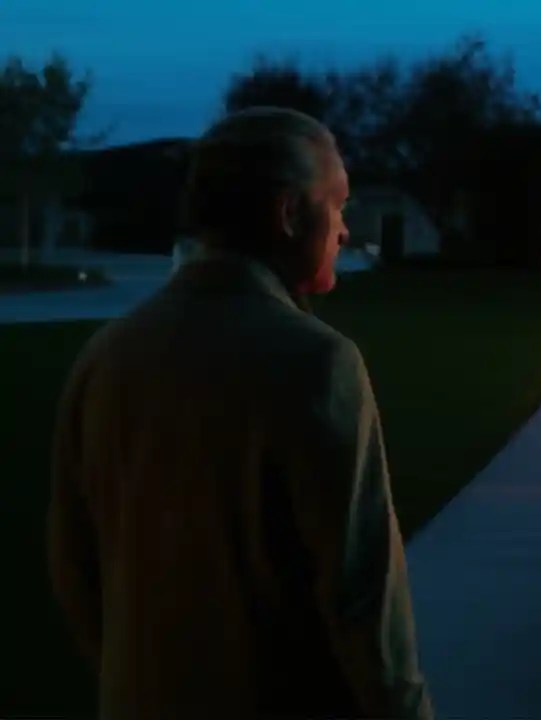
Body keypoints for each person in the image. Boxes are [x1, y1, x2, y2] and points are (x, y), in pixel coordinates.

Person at [47, 107, 432, 720]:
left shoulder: (108, 354)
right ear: (287, 212)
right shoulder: (315, 364)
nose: (343, 231)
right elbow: (363, 601)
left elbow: (74, 568)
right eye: (336, 205)